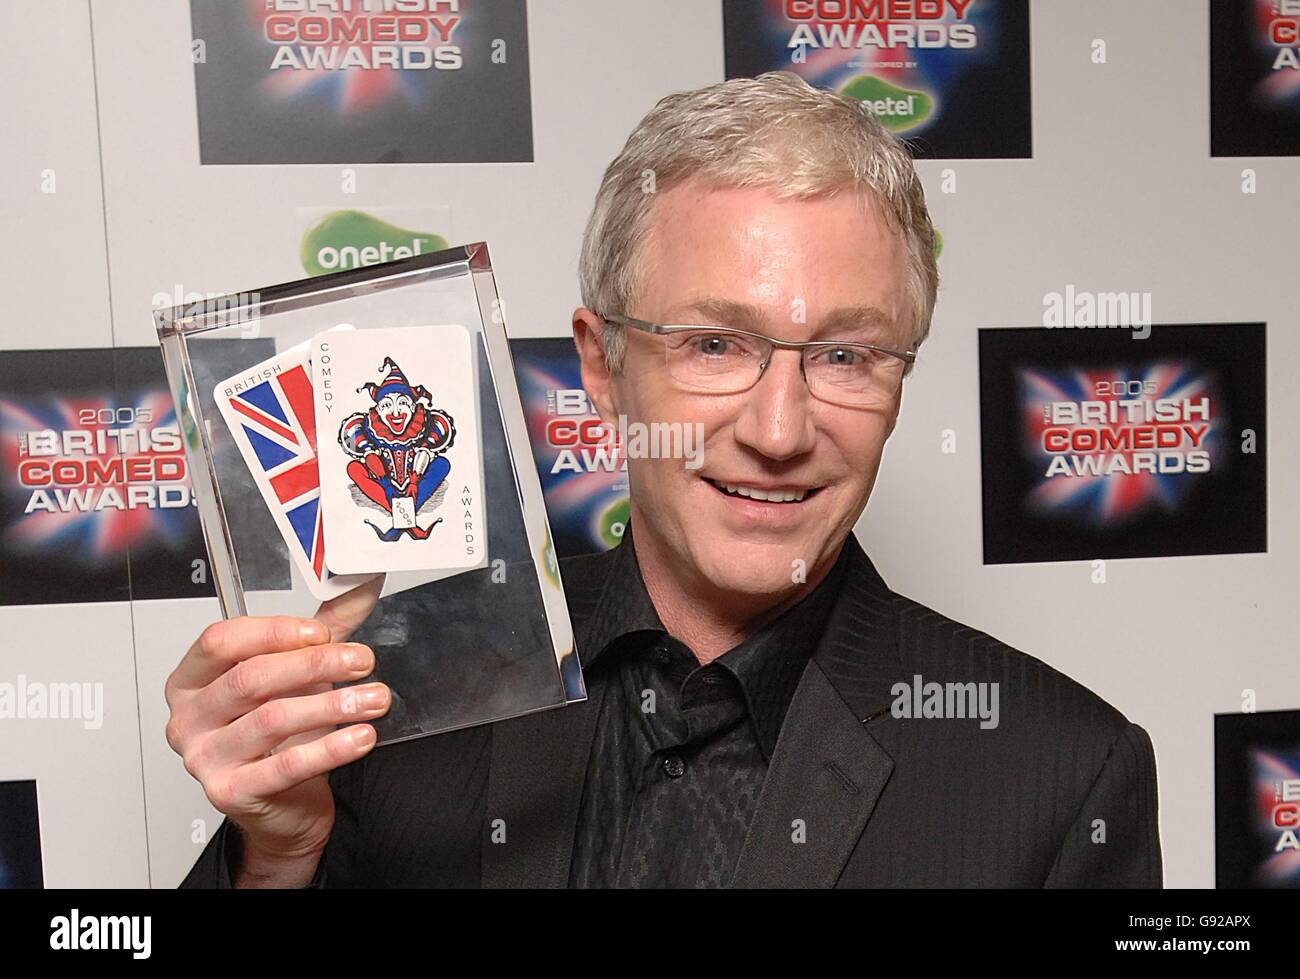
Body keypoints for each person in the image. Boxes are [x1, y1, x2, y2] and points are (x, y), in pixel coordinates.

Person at [168, 71, 1162, 888]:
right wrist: (283, 852)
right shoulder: (388, 693)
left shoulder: (1058, 772)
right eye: (716, 343)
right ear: (601, 365)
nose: (779, 431)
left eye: (846, 357)